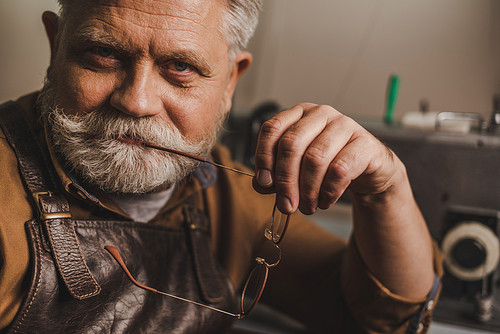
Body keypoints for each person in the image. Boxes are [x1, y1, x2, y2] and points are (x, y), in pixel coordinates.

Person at [0, 0, 442, 333]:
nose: (136, 101)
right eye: (102, 54)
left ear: (231, 80)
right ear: (56, 45)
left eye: (180, 67)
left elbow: (389, 317)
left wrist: (386, 189)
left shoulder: (222, 191)